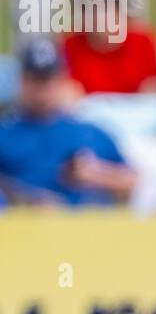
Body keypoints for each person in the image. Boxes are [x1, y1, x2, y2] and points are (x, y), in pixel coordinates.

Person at [0, 39, 136, 207]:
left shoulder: (88, 132)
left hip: (84, 227)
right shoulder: (5, 133)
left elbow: (133, 182)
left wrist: (97, 175)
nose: (42, 89)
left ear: (62, 80)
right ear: (21, 81)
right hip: (21, 226)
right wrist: (27, 199)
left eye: (48, 79)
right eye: (35, 79)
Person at [63, 0, 156, 94]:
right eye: (86, 3)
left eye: (105, 3)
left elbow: (154, 93)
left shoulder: (144, 42)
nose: (95, 12)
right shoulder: (70, 45)